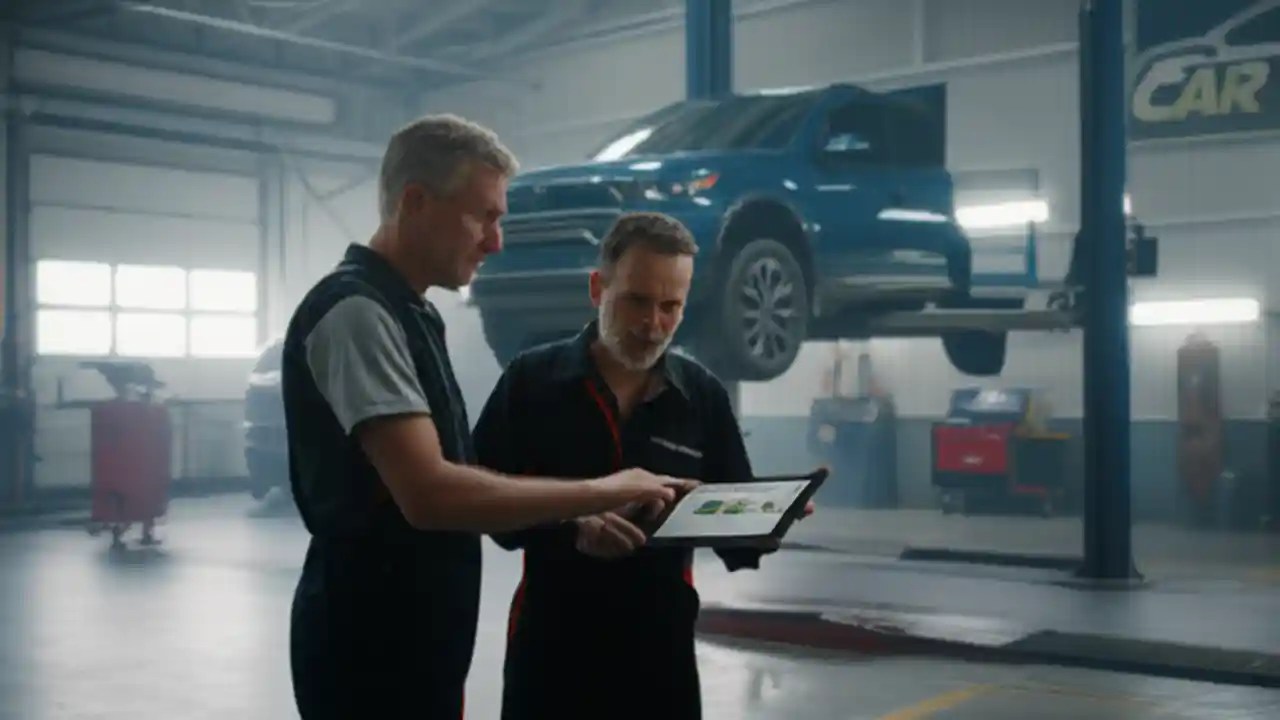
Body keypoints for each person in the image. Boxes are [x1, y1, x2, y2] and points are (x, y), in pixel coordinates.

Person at [281, 116, 695, 720]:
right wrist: (596, 491)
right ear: (416, 202)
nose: (496, 241)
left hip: (413, 644)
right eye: (485, 216)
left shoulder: (410, 313)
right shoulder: (356, 314)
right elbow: (429, 494)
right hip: (369, 648)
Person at [473, 211, 815, 720]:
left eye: (670, 306)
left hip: (660, 658)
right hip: (551, 651)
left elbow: (736, 535)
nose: (652, 324)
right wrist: (569, 524)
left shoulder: (702, 397)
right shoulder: (532, 382)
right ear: (597, 287)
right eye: (636, 301)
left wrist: (768, 522)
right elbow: (477, 496)